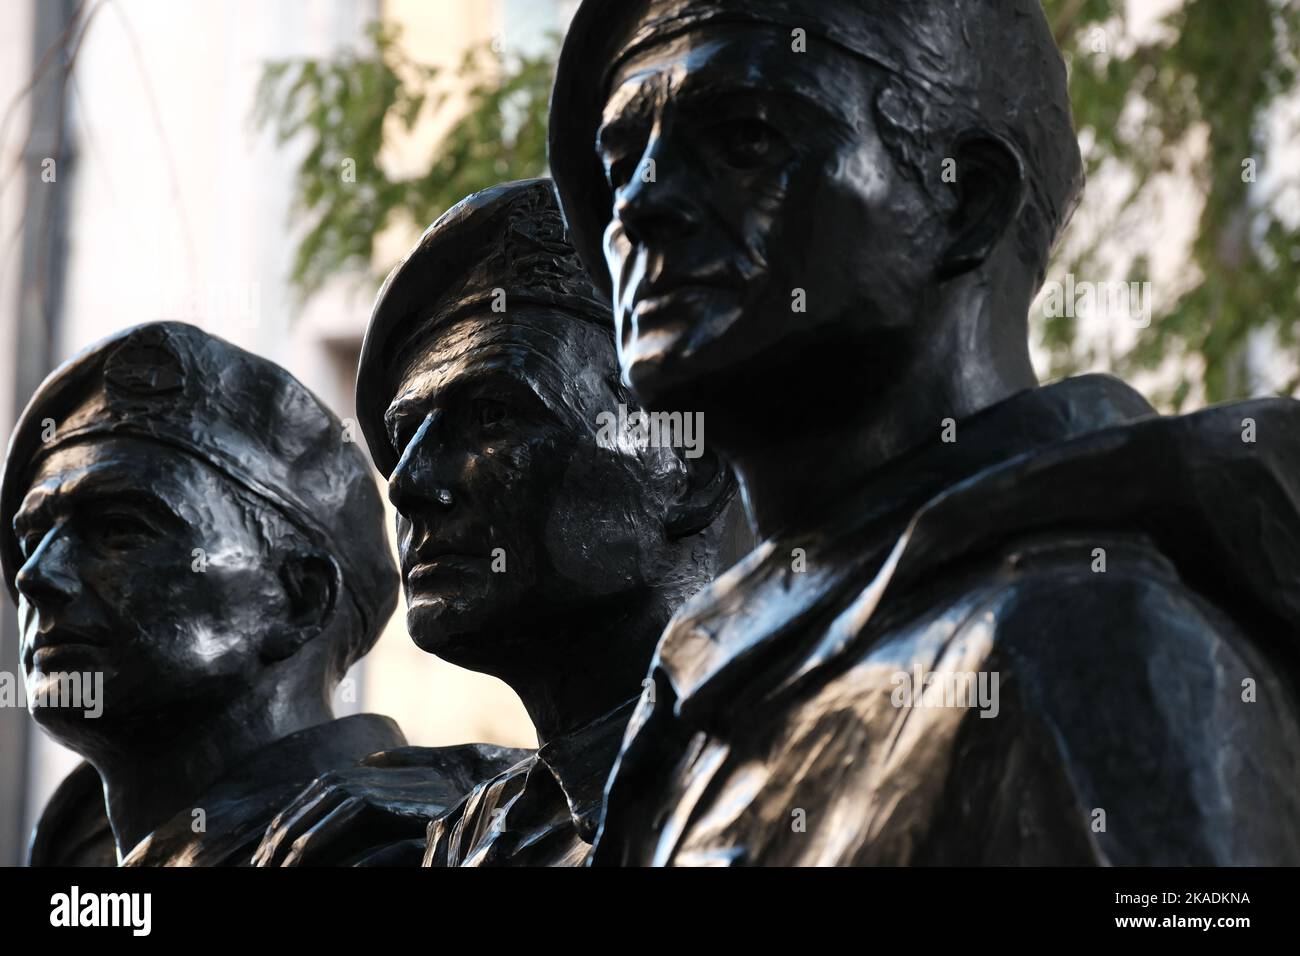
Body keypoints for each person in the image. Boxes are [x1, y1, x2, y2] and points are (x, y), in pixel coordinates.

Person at [547, 0, 1300, 865]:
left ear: (967, 201)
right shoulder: (713, 692)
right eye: (620, 164)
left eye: (744, 139)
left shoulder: (1078, 641)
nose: (637, 207)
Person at [255, 179, 742, 866]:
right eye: (405, 436)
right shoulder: (477, 840)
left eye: (492, 417)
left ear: (686, 467)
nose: (408, 484)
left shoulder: (803, 770)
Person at [4, 322, 511, 866]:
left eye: (121, 530)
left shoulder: (430, 849)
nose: (35, 575)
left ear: (301, 598)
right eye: (33, 538)